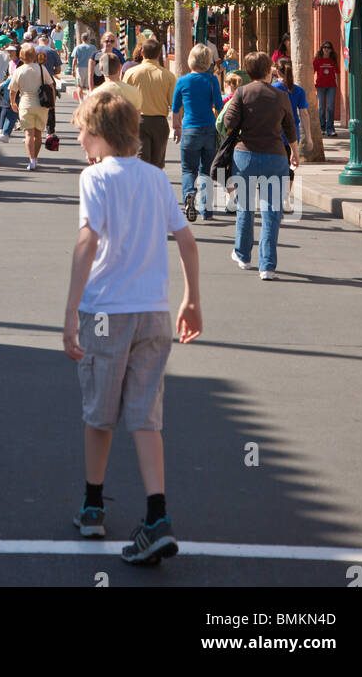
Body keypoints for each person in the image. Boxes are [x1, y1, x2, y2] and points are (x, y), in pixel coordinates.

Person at [63, 89, 201, 562]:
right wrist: (192, 299)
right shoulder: (156, 178)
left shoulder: (94, 177)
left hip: (105, 309)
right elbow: (186, 240)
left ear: (100, 133)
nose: (79, 139)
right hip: (153, 311)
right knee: (146, 416)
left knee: (99, 411)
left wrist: (70, 312)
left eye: (83, 131)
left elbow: (87, 242)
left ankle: (93, 505)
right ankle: (157, 514)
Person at [221, 52, 298, 280]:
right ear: (268, 71)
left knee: (245, 208)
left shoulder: (242, 92)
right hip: (275, 156)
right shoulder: (281, 96)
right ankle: (267, 266)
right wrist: (295, 153)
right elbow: (290, 128)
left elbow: (228, 122)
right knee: (271, 212)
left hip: (245, 156)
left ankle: (243, 255)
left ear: (248, 71)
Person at [171, 44, 224, 222]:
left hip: (189, 129)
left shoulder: (182, 81)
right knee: (206, 171)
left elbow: (175, 107)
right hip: (209, 128)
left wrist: (176, 126)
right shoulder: (212, 80)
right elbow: (219, 105)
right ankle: (206, 210)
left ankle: (189, 194)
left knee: (188, 169)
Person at [125, 38, 176, 169]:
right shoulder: (168, 76)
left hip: (138, 120)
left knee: (141, 160)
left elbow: (124, 100)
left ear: (142, 53)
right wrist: (177, 125)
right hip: (160, 122)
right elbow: (174, 103)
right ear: (159, 54)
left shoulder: (131, 73)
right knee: (157, 164)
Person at [273, 56, 312, 212]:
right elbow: (304, 114)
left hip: (274, 133)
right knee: (290, 167)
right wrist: (309, 137)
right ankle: (285, 199)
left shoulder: (272, 88)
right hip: (292, 135)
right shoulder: (299, 91)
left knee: (275, 166)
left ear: (277, 71)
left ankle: (274, 197)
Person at [8, 41, 52, 172]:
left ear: (21, 56)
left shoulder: (19, 70)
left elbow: (13, 90)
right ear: (34, 55)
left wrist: (12, 102)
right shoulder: (42, 69)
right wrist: (52, 103)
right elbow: (50, 86)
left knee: (28, 134)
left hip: (26, 103)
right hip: (41, 104)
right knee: (38, 134)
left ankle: (31, 159)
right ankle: (35, 157)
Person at [313, 40, 339, 136]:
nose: (326, 49)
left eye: (328, 48)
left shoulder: (333, 60)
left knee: (330, 107)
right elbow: (312, 72)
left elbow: (337, 73)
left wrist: (337, 84)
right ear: (322, 49)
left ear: (331, 50)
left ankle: (330, 129)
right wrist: (312, 85)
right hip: (320, 86)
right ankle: (322, 128)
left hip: (331, 86)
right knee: (321, 107)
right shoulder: (317, 60)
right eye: (324, 47)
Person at [72, 33, 98, 99]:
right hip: (90, 68)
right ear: (88, 39)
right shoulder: (93, 47)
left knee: (79, 86)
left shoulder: (78, 47)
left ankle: (81, 101)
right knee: (88, 86)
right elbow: (96, 58)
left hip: (80, 68)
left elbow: (75, 59)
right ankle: (87, 99)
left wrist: (73, 69)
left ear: (82, 39)